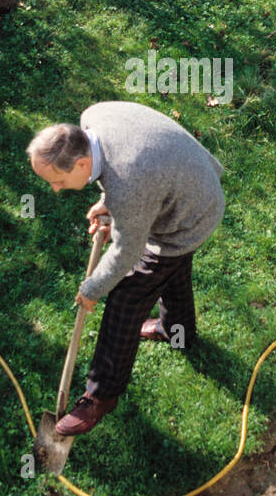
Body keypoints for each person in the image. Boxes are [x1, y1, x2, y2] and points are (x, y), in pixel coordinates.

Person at [26, 100, 225, 435]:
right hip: (188, 184)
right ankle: (177, 330)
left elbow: (126, 252)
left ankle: (101, 396)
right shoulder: (94, 116)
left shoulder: (129, 184)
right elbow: (125, 179)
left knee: (126, 296)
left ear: (81, 163)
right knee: (170, 271)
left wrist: (92, 290)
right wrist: (109, 202)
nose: (54, 190)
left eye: (57, 181)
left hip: (190, 216)